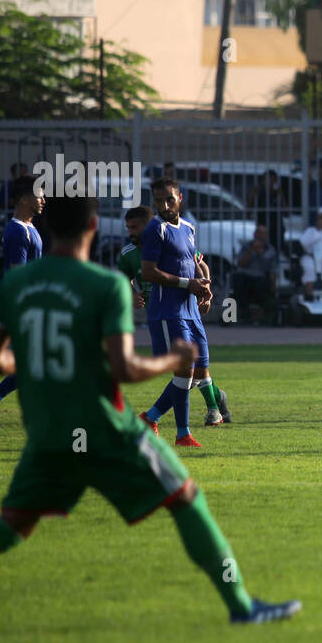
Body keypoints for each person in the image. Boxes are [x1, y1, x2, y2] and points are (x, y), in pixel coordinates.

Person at [0, 194, 300, 635]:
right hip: (106, 429)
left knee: (9, 527)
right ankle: (240, 605)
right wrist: (172, 359)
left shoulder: (18, 286)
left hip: (47, 433)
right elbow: (124, 368)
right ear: (92, 228)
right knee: (185, 498)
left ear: (50, 230)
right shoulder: (105, 286)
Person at [118, 205, 229, 424]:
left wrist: (206, 294)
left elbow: (200, 265)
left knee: (193, 368)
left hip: (186, 309)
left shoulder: (172, 242)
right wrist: (132, 294)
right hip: (161, 314)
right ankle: (214, 402)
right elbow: (124, 278)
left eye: (135, 227)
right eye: (128, 227)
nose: (130, 232)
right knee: (186, 370)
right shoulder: (128, 254)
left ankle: (205, 409)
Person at [137, 178, 215, 447]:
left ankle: (152, 417)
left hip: (191, 310)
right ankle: (182, 433)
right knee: (185, 371)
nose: (165, 205)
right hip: (168, 311)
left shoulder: (189, 228)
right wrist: (188, 284)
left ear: (180, 198)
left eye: (169, 199)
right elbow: (148, 272)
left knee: (197, 373)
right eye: (159, 201)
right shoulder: (155, 230)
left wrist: (205, 289)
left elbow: (193, 264)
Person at [0, 175, 45, 431]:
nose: (43, 200)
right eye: (39, 195)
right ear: (25, 199)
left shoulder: (30, 228)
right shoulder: (16, 231)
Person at [233, 223, 279, 325]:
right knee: (237, 278)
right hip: (245, 276)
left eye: (264, 233)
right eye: (259, 232)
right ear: (254, 234)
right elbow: (240, 263)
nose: (261, 235)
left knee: (263, 285)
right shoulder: (246, 247)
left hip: (260, 278)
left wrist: (261, 253)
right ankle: (244, 312)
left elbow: (272, 269)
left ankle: (261, 314)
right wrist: (251, 251)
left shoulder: (270, 250)